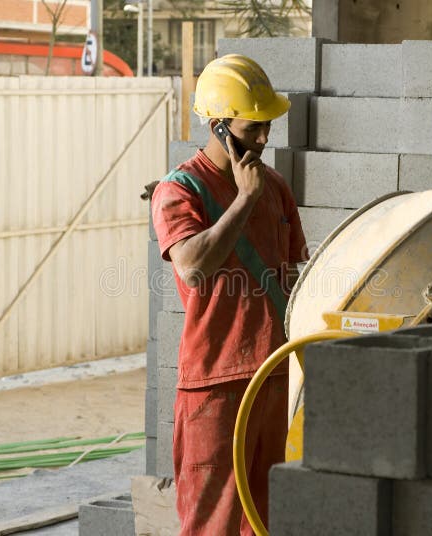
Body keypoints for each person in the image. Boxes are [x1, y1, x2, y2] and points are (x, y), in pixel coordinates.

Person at [150, 54, 308, 535]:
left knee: (265, 517)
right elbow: (194, 267)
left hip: (273, 374)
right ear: (218, 126)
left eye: (267, 127)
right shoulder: (180, 190)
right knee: (211, 521)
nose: (262, 139)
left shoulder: (276, 188)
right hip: (214, 382)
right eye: (250, 128)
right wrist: (243, 200)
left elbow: (294, 276)